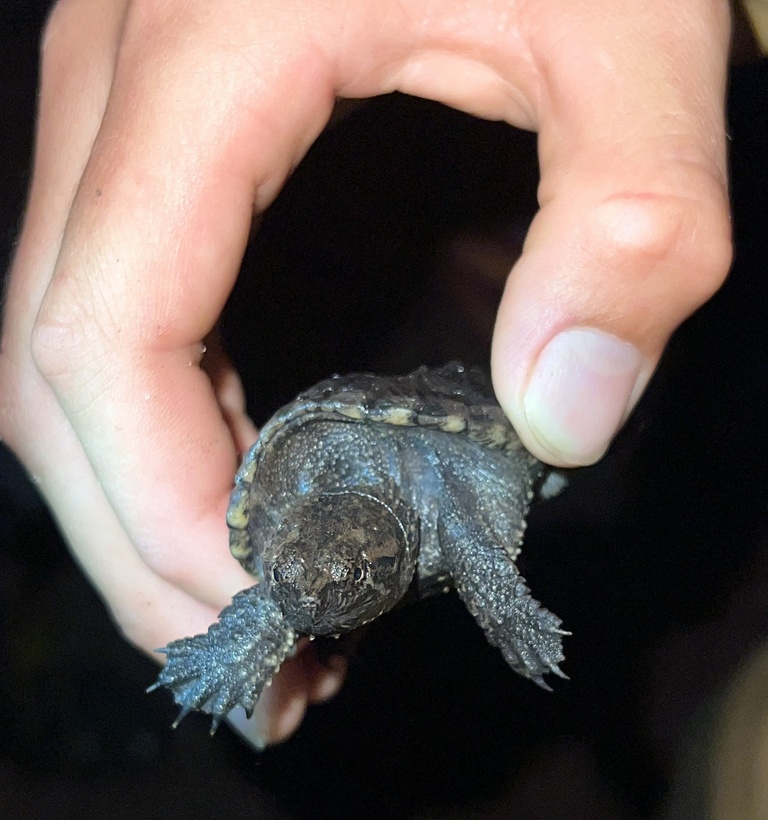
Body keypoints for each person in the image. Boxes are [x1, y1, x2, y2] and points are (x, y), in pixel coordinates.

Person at [0, 0, 733, 745]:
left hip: (460, 446)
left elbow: (471, 547)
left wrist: (514, 618)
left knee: (586, 473)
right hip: (375, 465)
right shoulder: (305, 553)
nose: (312, 598)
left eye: (332, 588)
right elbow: (295, 584)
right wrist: (268, 613)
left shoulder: (435, 514)